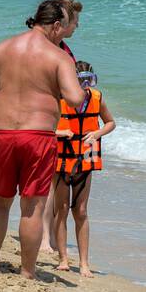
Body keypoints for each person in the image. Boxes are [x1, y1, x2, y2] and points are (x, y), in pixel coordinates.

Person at [0, 0, 85, 278]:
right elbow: (76, 98)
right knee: (32, 206)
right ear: (56, 26)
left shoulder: (4, 47)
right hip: (38, 136)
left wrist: (4, 86)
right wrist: (52, 88)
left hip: (3, 134)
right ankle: (28, 272)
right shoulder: (58, 57)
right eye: (67, 25)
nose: (70, 30)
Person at [52, 61, 115, 277]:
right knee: (60, 209)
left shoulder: (96, 98)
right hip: (62, 160)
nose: (86, 85)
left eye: (89, 80)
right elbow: (41, 126)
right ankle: (62, 259)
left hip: (86, 158)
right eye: (81, 81)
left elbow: (110, 123)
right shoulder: (58, 98)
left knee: (80, 211)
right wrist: (59, 133)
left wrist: (97, 134)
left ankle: (84, 263)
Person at [41, 0, 82, 257]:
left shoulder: (65, 50)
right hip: (45, 123)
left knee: (58, 185)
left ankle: (54, 236)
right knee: (46, 185)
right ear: (62, 22)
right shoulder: (46, 48)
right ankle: (44, 237)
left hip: (63, 122)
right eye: (75, 21)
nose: (77, 26)